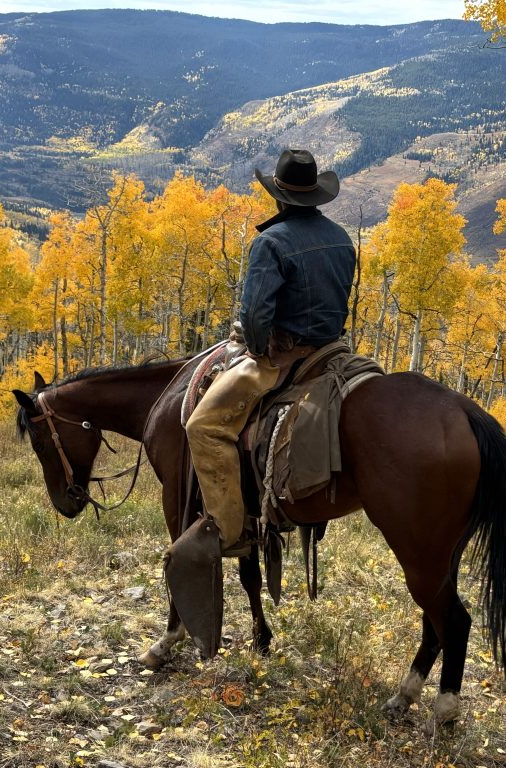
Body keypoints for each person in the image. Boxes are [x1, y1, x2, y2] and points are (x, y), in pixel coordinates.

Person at [185, 148, 357, 556]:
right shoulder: (341, 238)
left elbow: (257, 317)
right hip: (333, 351)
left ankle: (230, 533)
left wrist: (260, 350)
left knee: (203, 428)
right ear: (315, 195)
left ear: (280, 197)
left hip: (284, 358)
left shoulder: (271, 243)